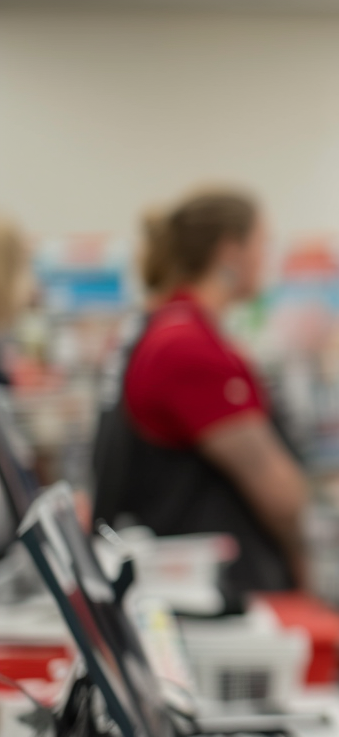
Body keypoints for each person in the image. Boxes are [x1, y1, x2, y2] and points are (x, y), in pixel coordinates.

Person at [92, 188, 310, 606]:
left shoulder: (153, 326)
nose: (268, 259)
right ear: (231, 251)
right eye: (263, 244)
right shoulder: (186, 346)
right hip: (208, 596)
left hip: (170, 582)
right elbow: (281, 496)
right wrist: (306, 574)